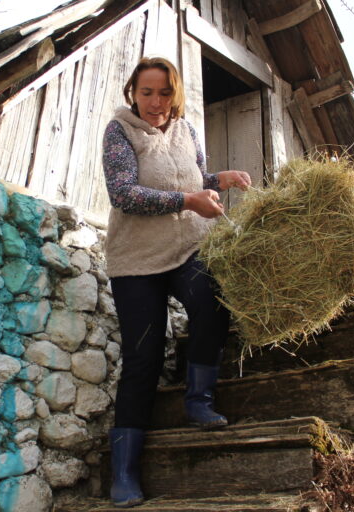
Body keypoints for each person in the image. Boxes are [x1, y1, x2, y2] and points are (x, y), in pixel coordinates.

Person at [102, 56, 251, 508]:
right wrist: (188, 198)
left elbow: (190, 177)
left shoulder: (186, 131)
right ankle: (123, 473)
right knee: (143, 359)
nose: (156, 102)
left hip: (188, 248)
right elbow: (124, 193)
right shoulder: (119, 132)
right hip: (136, 261)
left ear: (176, 95)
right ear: (134, 92)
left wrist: (215, 180)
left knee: (212, 301)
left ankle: (198, 399)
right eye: (147, 92)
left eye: (164, 93)